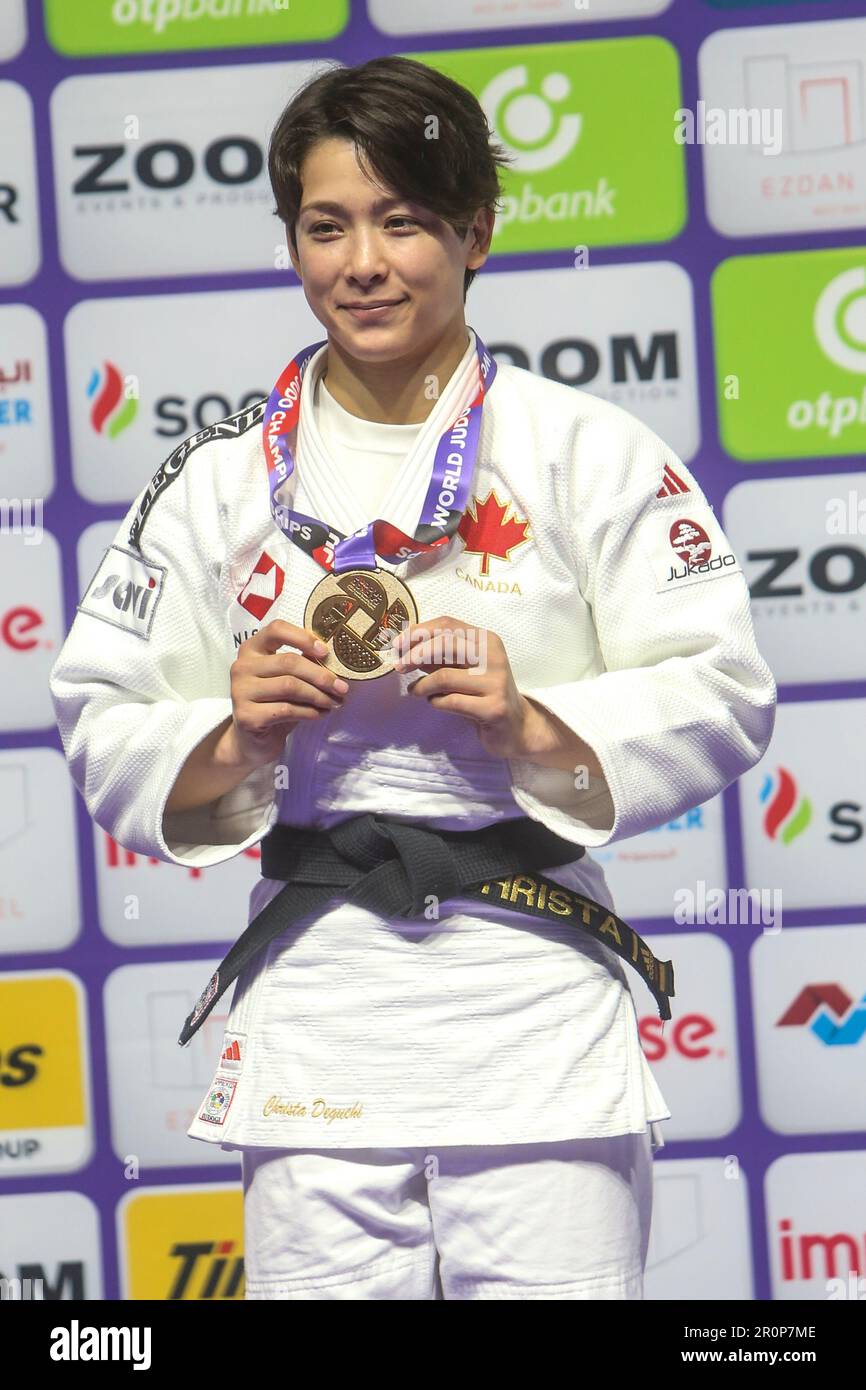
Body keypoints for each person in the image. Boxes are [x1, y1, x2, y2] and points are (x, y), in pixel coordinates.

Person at [49, 55, 777, 1301]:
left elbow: (722, 687)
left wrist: (530, 721)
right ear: (291, 241)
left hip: (531, 1003)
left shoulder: (586, 450)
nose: (362, 263)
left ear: (475, 232)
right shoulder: (217, 479)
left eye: (400, 222)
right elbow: (100, 713)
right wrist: (234, 737)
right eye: (325, 226)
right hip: (319, 1007)